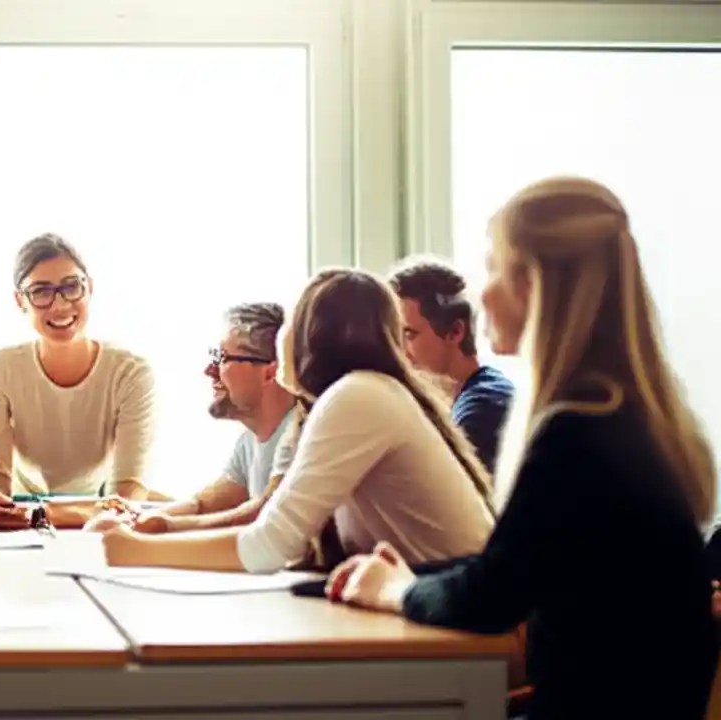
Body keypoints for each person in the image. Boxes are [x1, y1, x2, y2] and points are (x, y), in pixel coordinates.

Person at [328, 177, 718, 719]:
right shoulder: (628, 418)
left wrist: (396, 592)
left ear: (534, 285)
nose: (479, 292)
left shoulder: (576, 433)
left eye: (493, 268)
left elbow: (492, 597)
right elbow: (519, 561)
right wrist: (417, 579)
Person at [96, 268, 495, 572]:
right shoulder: (343, 401)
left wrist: (134, 550)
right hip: (445, 620)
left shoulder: (359, 395)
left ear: (314, 334)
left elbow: (270, 543)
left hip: (472, 633)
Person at [0, 233, 157, 524]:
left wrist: (94, 514)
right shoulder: (1, 368)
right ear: (20, 300)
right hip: (21, 512)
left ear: (90, 288)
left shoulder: (130, 373)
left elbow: (129, 486)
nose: (59, 306)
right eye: (41, 291)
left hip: (99, 510)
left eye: (71, 287)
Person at [123, 303, 310, 535]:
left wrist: (161, 526)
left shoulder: (301, 433)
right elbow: (203, 505)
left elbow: (265, 515)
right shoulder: (249, 441)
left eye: (222, 358)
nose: (209, 370)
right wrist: (131, 518)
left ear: (269, 372)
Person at [389, 258, 514, 471]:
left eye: (409, 334)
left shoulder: (480, 412)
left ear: (455, 332)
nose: (398, 349)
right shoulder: (454, 405)